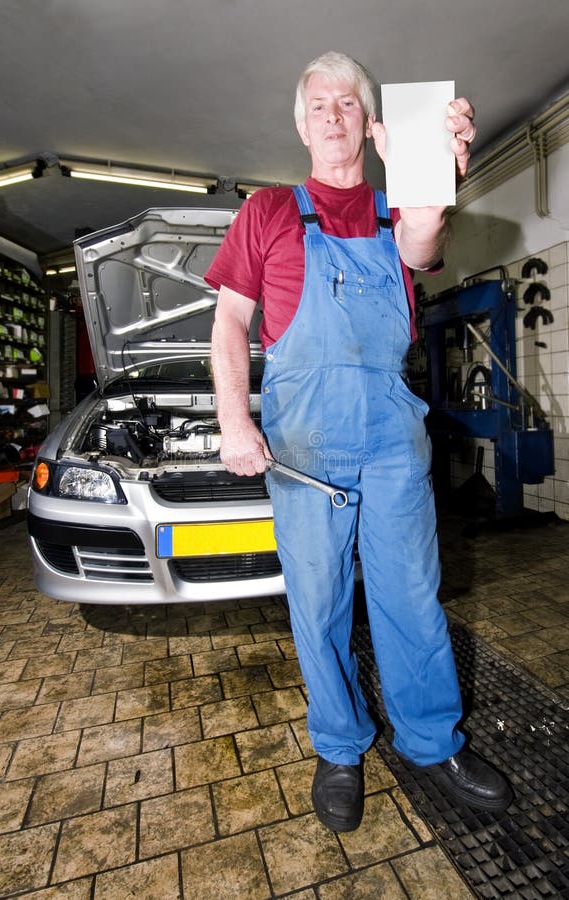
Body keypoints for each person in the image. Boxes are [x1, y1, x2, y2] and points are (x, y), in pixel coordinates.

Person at [206, 51, 512, 832]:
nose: (332, 114)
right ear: (299, 121)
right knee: (318, 602)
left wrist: (429, 172)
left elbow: (418, 240)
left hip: (387, 430)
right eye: (318, 102)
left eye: (348, 103)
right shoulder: (267, 211)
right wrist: (235, 419)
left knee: (411, 593)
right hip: (303, 439)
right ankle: (339, 749)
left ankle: (430, 741)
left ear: (366, 122)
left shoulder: (391, 207)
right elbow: (229, 325)